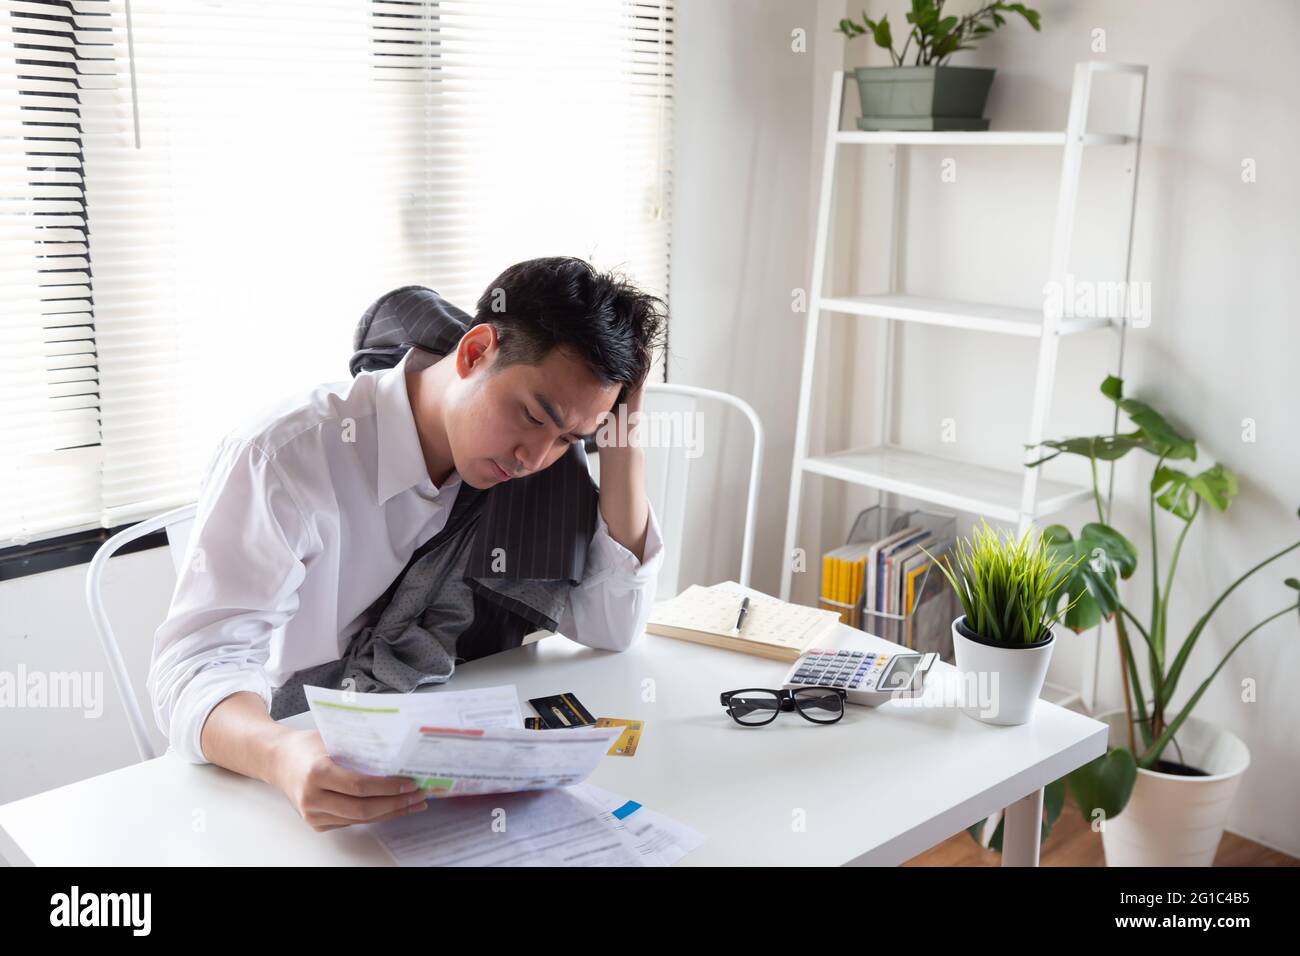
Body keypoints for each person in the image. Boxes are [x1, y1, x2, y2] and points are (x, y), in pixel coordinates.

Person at [147, 256, 667, 831]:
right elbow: (194, 670)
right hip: (272, 768)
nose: (534, 459)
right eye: (529, 415)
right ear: (474, 353)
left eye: (569, 438)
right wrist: (281, 754)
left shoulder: (538, 470)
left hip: (420, 765)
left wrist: (623, 447)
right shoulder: (286, 456)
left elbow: (612, 628)